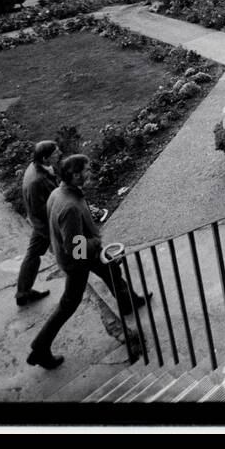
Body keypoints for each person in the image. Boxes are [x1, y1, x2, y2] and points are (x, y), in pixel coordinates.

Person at [28, 154, 150, 370]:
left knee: (111, 270)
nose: (91, 173)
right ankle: (40, 347)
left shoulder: (59, 192)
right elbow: (75, 249)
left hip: (84, 256)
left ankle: (128, 302)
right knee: (68, 304)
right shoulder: (70, 207)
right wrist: (94, 243)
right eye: (87, 170)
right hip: (78, 262)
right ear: (75, 175)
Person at [15, 140, 60, 307]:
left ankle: (23, 292)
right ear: (45, 157)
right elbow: (41, 209)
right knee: (76, 240)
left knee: (33, 254)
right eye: (55, 153)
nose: (59, 154)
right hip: (46, 224)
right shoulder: (37, 180)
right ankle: (92, 263)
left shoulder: (38, 168)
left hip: (41, 223)